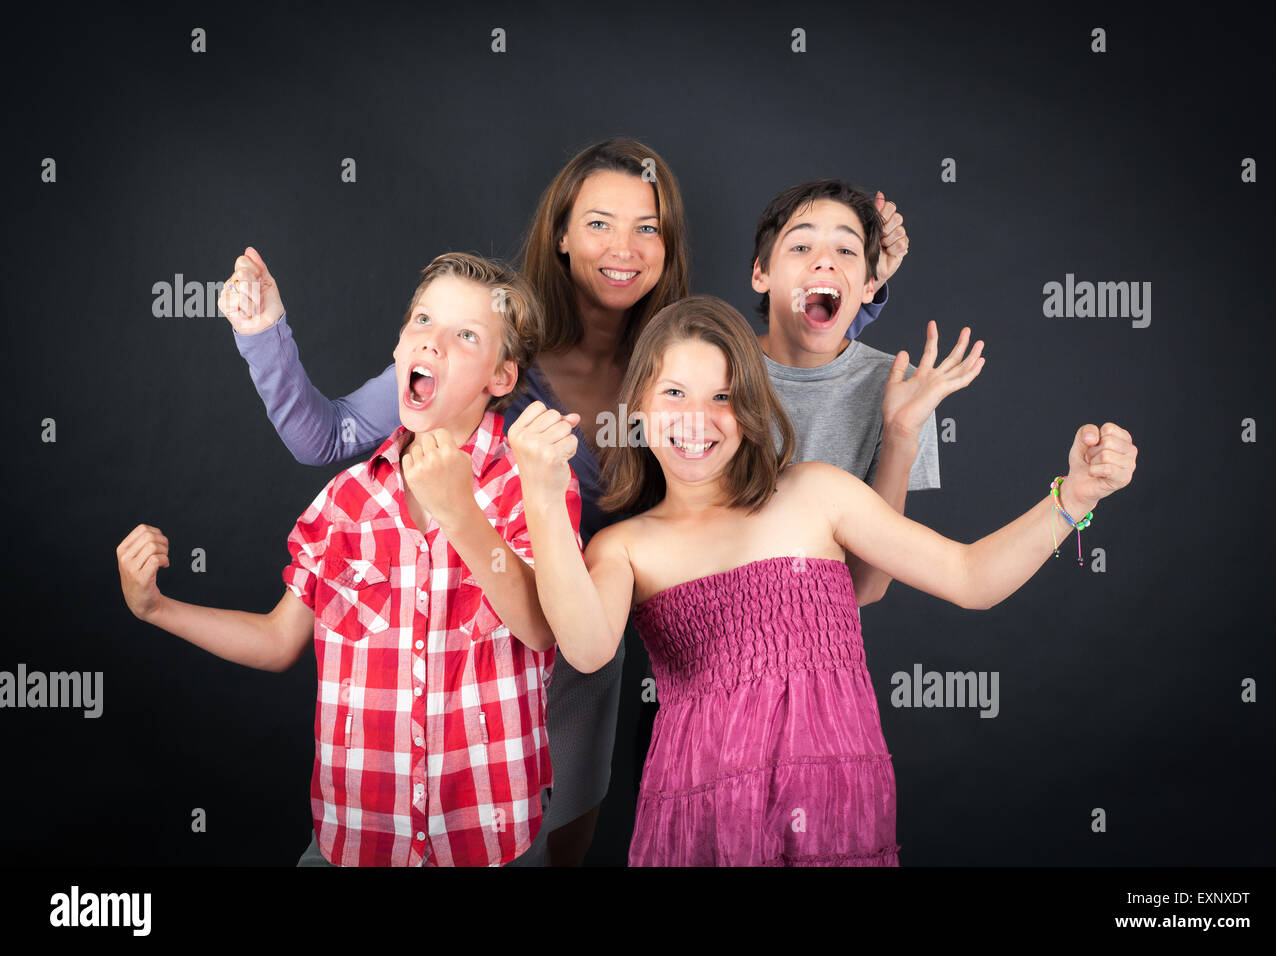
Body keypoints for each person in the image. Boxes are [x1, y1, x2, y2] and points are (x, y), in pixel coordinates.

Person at [218, 142, 910, 863]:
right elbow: (325, 433)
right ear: (560, 233)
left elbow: (769, 388)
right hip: (477, 639)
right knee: (418, 826)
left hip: (591, 642)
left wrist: (860, 297)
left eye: (648, 228)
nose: (625, 248)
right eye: (600, 224)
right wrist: (262, 331)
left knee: (561, 840)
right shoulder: (493, 343)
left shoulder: (675, 362)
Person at [509, 295, 1137, 866]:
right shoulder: (625, 545)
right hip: (700, 814)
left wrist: (1074, 497)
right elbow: (587, 648)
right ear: (640, 405)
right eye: (674, 394)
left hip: (838, 800)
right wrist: (540, 494)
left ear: (750, 407)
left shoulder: (815, 493)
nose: (697, 419)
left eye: (723, 397)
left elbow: (969, 577)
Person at [116, 253, 582, 866]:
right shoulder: (347, 500)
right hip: (356, 842)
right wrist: (155, 608)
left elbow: (543, 628)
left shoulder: (534, 481)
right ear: (398, 349)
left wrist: (460, 513)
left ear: (502, 377)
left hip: (491, 841)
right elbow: (280, 639)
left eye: (466, 335)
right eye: (422, 321)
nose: (433, 343)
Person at [752, 178, 983, 605]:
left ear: (870, 286)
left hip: (823, 651)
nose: (824, 262)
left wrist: (900, 435)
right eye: (801, 247)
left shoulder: (900, 390)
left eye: (845, 250)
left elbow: (865, 588)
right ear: (761, 273)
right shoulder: (712, 374)